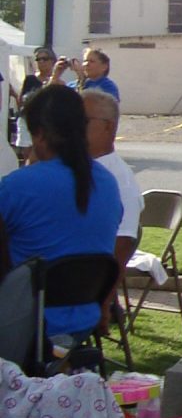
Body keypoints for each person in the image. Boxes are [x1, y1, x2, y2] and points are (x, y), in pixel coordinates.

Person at [0, 86, 122, 338]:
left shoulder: (18, 186)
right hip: (81, 324)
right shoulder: (109, 183)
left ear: (40, 135)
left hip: (23, 324)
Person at [81, 89, 144, 273]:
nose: (73, 127)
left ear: (108, 126)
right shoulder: (69, 167)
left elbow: (121, 247)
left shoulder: (120, 181)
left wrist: (103, 299)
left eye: (83, 121)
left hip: (87, 285)